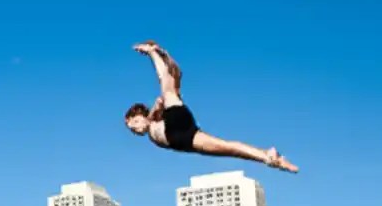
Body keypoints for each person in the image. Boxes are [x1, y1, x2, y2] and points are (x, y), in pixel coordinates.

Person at [124, 41, 298, 173]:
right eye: (133, 130)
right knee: (230, 148)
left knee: (167, 88)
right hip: (189, 139)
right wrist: (157, 107)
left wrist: (156, 107)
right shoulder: (153, 121)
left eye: (135, 123)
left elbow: (160, 98)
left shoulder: (153, 120)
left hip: (175, 123)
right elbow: (156, 109)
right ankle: (269, 157)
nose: (137, 129)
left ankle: (152, 51)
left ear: (140, 116)